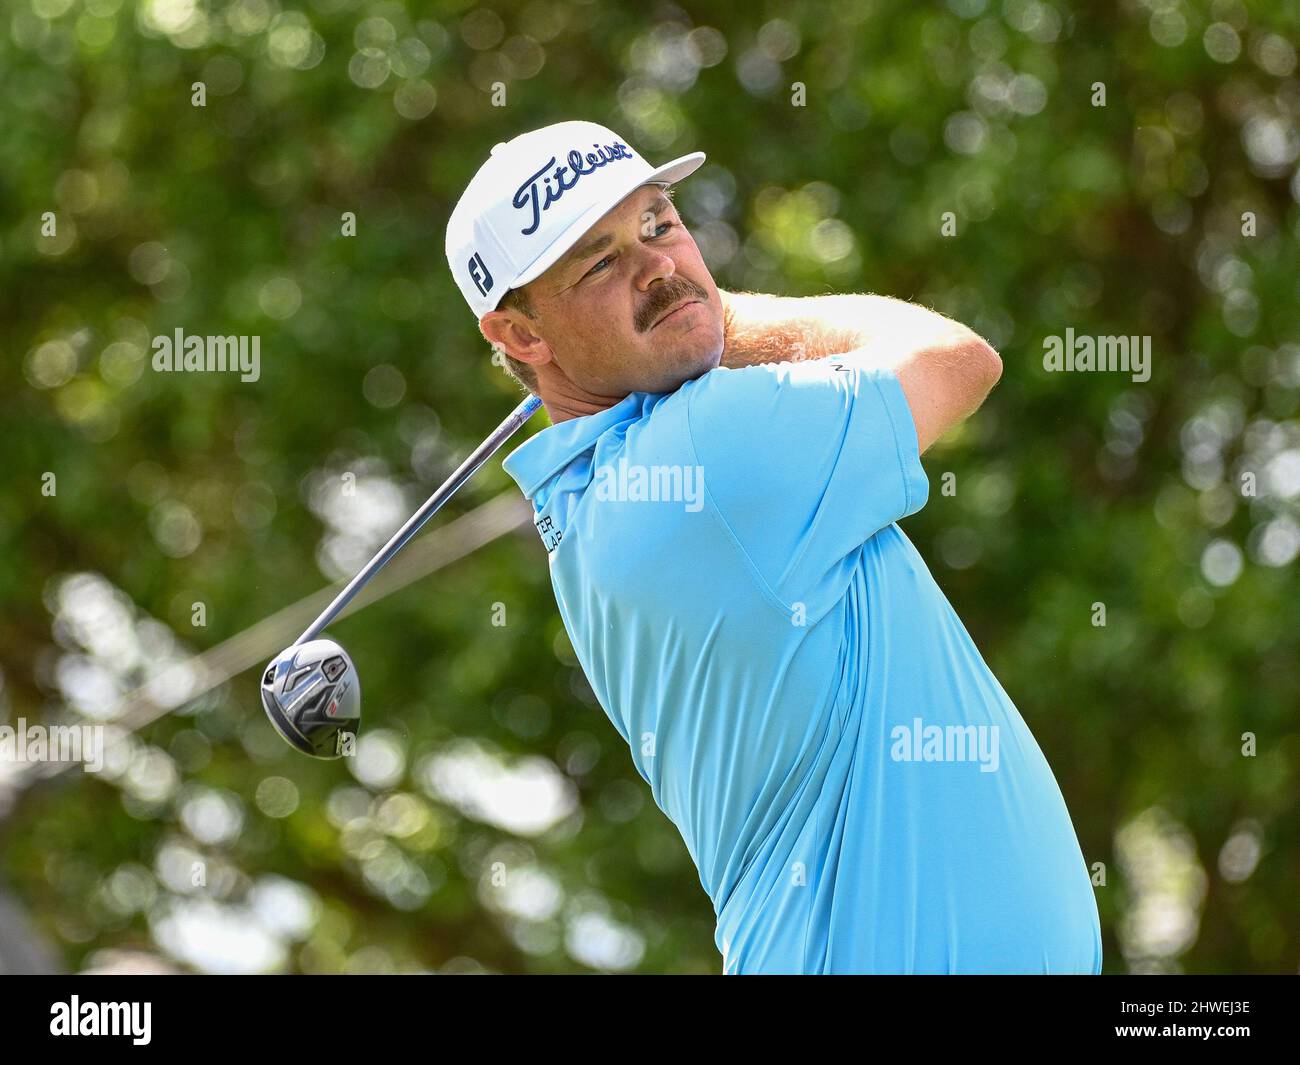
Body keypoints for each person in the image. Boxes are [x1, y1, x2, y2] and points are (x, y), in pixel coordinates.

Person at [445, 119, 1101, 974]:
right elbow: (957, 358)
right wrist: (712, 312)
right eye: (600, 262)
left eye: (659, 224)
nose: (658, 266)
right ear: (522, 337)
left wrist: (675, 316)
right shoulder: (704, 455)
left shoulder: (604, 493)